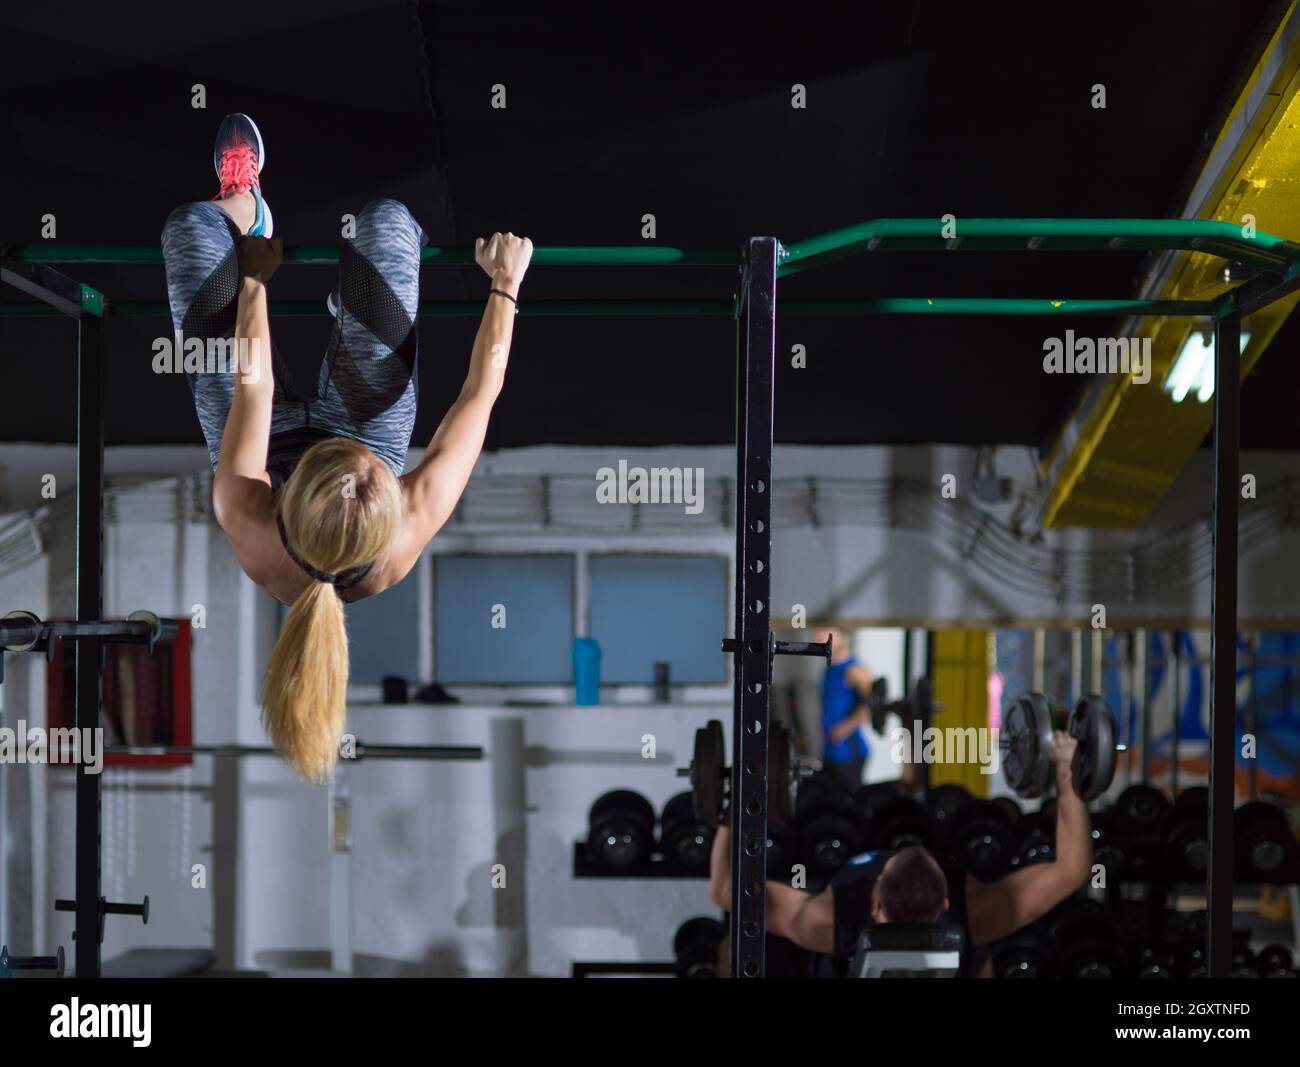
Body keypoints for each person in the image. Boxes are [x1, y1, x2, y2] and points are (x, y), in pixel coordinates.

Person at [161, 113, 533, 782]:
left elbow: (256, 382)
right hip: (365, 421)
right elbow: (479, 396)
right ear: (388, 495)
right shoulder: (402, 532)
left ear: (291, 494)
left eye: (339, 463)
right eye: (375, 475)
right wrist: (504, 284)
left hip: (258, 434)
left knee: (188, 231)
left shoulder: (245, 513)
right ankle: (360, 309)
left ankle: (244, 204)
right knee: (386, 223)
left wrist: (254, 274)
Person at [708, 731, 1092, 977]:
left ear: (875, 901)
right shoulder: (977, 913)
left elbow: (724, 890)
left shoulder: (828, 923)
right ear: (945, 901)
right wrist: (1066, 775)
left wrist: (734, 807)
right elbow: (1072, 871)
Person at [818, 627, 876, 792]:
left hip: (850, 753)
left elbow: (872, 703)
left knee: (848, 804)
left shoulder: (855, 670)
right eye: (817, 632)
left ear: (844, 636)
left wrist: (845, 728)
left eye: (826, 632)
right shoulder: (830, 670)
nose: (819, 636)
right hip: (829, 752)